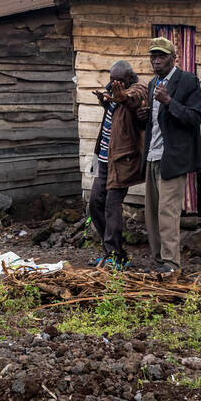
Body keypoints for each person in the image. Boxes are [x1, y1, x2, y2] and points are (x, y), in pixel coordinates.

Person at [136, 37, 201, 275]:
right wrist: (144, 116)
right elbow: (157, 123)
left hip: (173, 158)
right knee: (152, 213)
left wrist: (169, 102)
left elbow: (195, 117)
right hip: (153, 156)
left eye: (162, 56)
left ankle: (171, 263)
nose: (156, 61)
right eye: (153, 57)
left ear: (174, 58)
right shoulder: (153, 83)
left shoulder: (187, 81)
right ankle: (159, 261)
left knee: (168, 211)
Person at [87, 60, 148, 270]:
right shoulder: (113, 90)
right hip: (104, 159)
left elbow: (134, 98)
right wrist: (106, 100)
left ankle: (115, 256)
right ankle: (114, 252)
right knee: (94, 202)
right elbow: (114, 109)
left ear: (130, 78)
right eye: (112, 79)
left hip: (122, 161)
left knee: (111, 205)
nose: (115, 84)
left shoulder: (137, 89)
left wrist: (123, 97)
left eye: (119, 80)